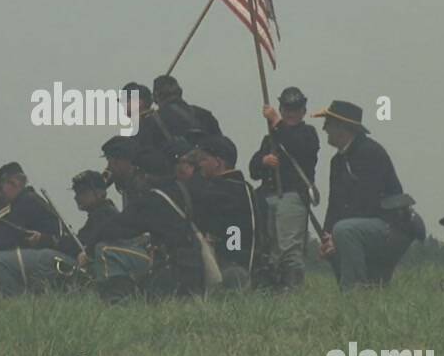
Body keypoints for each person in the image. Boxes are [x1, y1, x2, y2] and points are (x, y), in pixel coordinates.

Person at [314, 101, 418, 290]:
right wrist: (327, 237)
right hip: (366, 226)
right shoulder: (337, 161)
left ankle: (355, 292)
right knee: (338, 235)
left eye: (328, 123)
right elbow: (335, 203)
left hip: (392, 225)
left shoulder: (370, 152)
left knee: (344, 231)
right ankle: (366, 290)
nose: (324, 128)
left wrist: (336, 237)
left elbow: (368, 203)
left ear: (342, 127)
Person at [93, 147, 200, 298]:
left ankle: (119, 302)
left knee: (104, 250)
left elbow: (117, 227)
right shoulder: (182, 189)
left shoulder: (151, 200)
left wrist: (87, 249)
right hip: (193, 264)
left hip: (170, 266)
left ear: (144, 174)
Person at [0, 162, 75, 296]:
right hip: (48, 257)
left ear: (14, 183)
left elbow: (8, 238)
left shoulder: (26, 202)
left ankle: (16, 300)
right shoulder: (20, 203)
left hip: (55, 258)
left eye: (2, 185)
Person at [248, 86, 320, 289]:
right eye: (287, 108)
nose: (290, 113)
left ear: (303, 111)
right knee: (270, 250)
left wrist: (277, 122)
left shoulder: (308, 133)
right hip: (269, 196)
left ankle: (292, 291)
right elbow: (253, 170)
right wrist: (264, 160)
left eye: (295, 109)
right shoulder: (271, 138)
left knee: (289, 250)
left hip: (292, 196)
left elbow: (297, 147)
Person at [191, 135, 257, 291]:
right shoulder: (247, 188)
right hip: (250, 266)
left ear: (218, 163)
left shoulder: (218, 189)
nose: (200, 164)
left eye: (204, 159)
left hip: (230, 268)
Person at [59, 170, 121, 271]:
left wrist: (53, 241)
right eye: (76, 192)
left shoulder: (104, 214)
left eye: (83, 192)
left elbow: (83, 243)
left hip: (98, 269)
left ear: (100, 192)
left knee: (46, 258)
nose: (76, 197)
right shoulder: (102, 213)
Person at [148, 75, 223, 146]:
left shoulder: (150, 122)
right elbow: (222, 146)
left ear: (155, 98)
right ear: (180, 91)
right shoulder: (204, 114)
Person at [101, 135, 142, 211]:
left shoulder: (141, 187)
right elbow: (100, 183)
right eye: (108, 161)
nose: (109, 167)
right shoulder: (128, 182)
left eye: (113, 162)